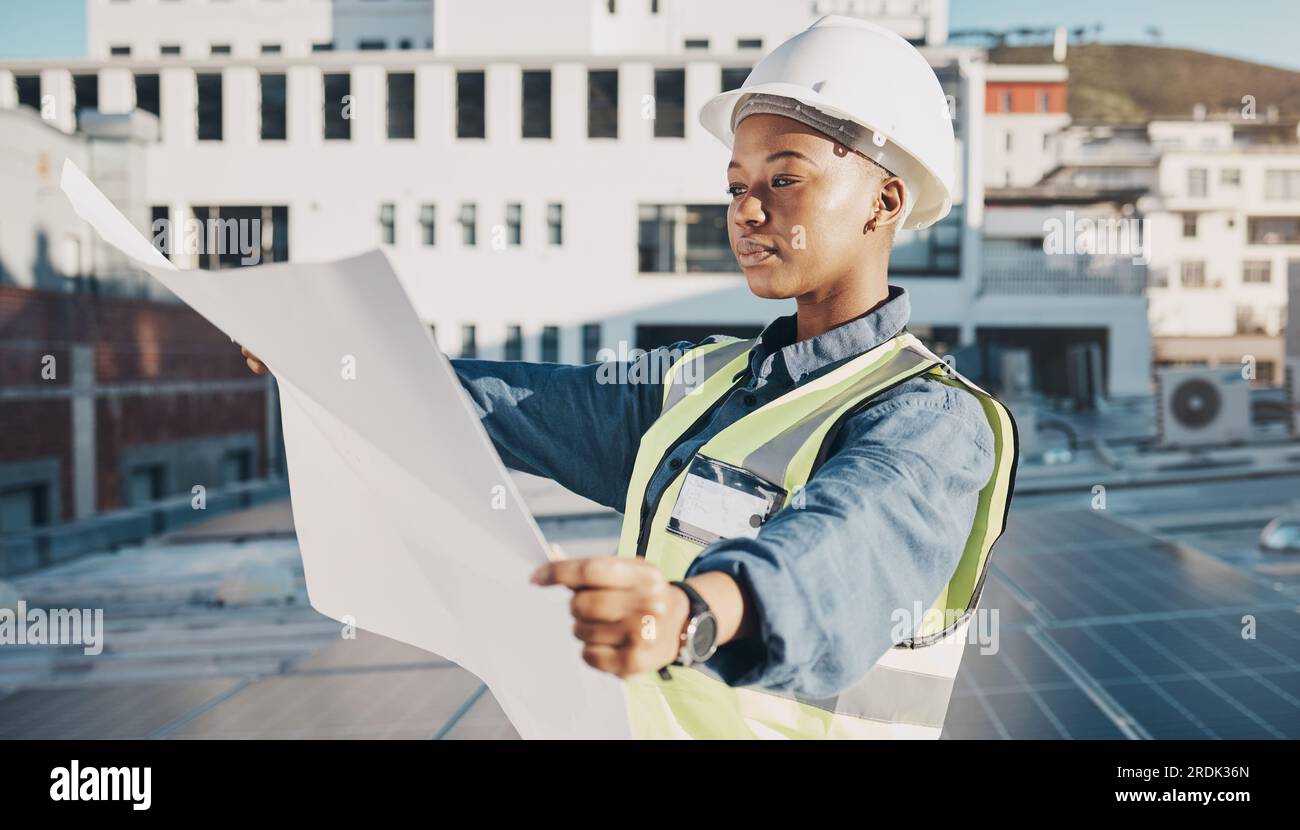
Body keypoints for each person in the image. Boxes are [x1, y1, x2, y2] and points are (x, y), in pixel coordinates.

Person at [242, 16, 1018, 739]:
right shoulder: (695, 382)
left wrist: (691, 615)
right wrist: (331, 366)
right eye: (736, 184)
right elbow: (502, 408)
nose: (747, 210)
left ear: (884, 202)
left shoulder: (931, 423)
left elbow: (844, 551)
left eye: (784, 180)